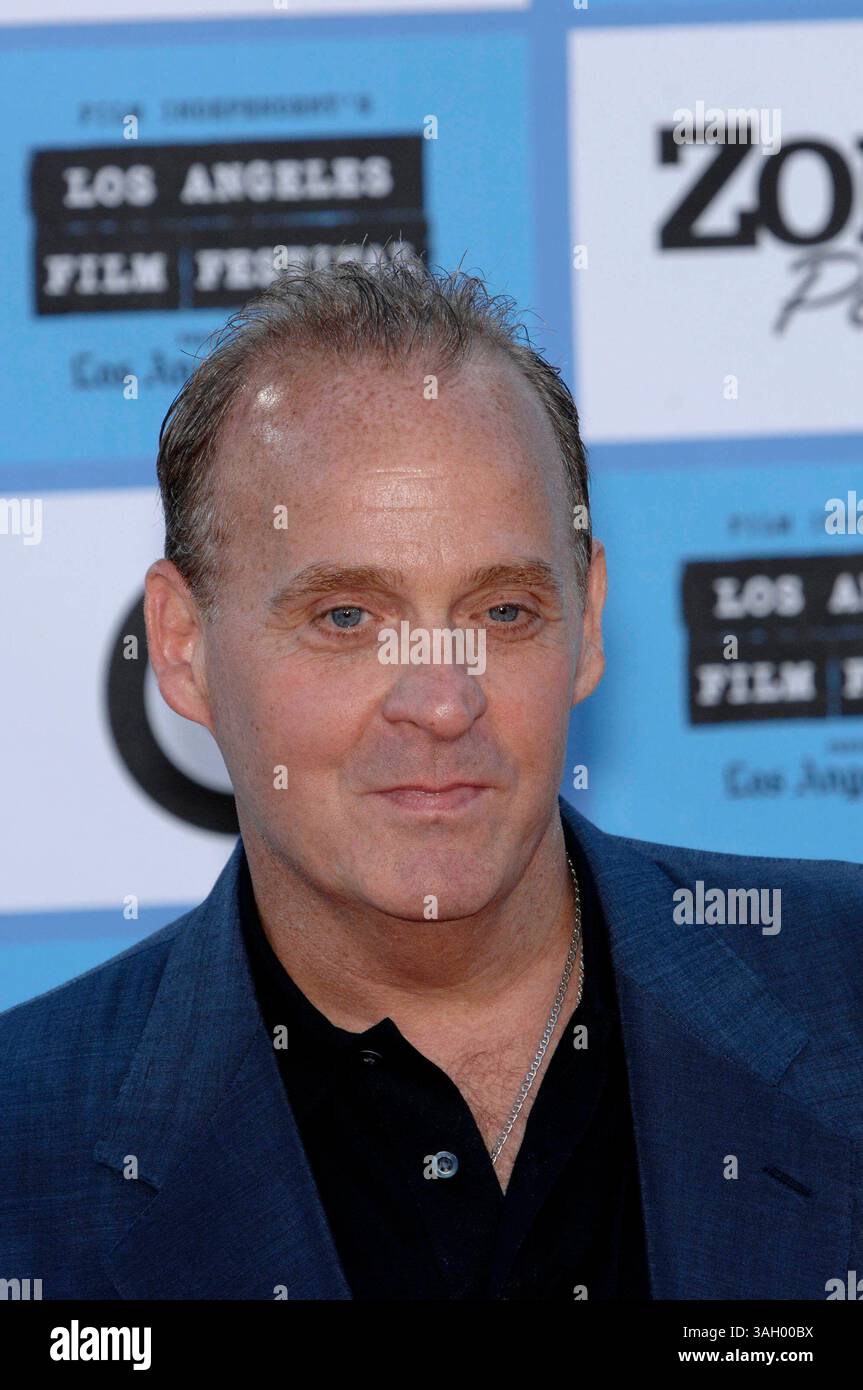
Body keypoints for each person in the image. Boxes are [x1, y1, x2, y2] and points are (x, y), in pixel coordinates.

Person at [1, 257, 860, 1301]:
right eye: (345, 619)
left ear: (584, 623)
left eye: (501, 612)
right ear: (181, 646)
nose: (442, 702)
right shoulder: (25, 1148)